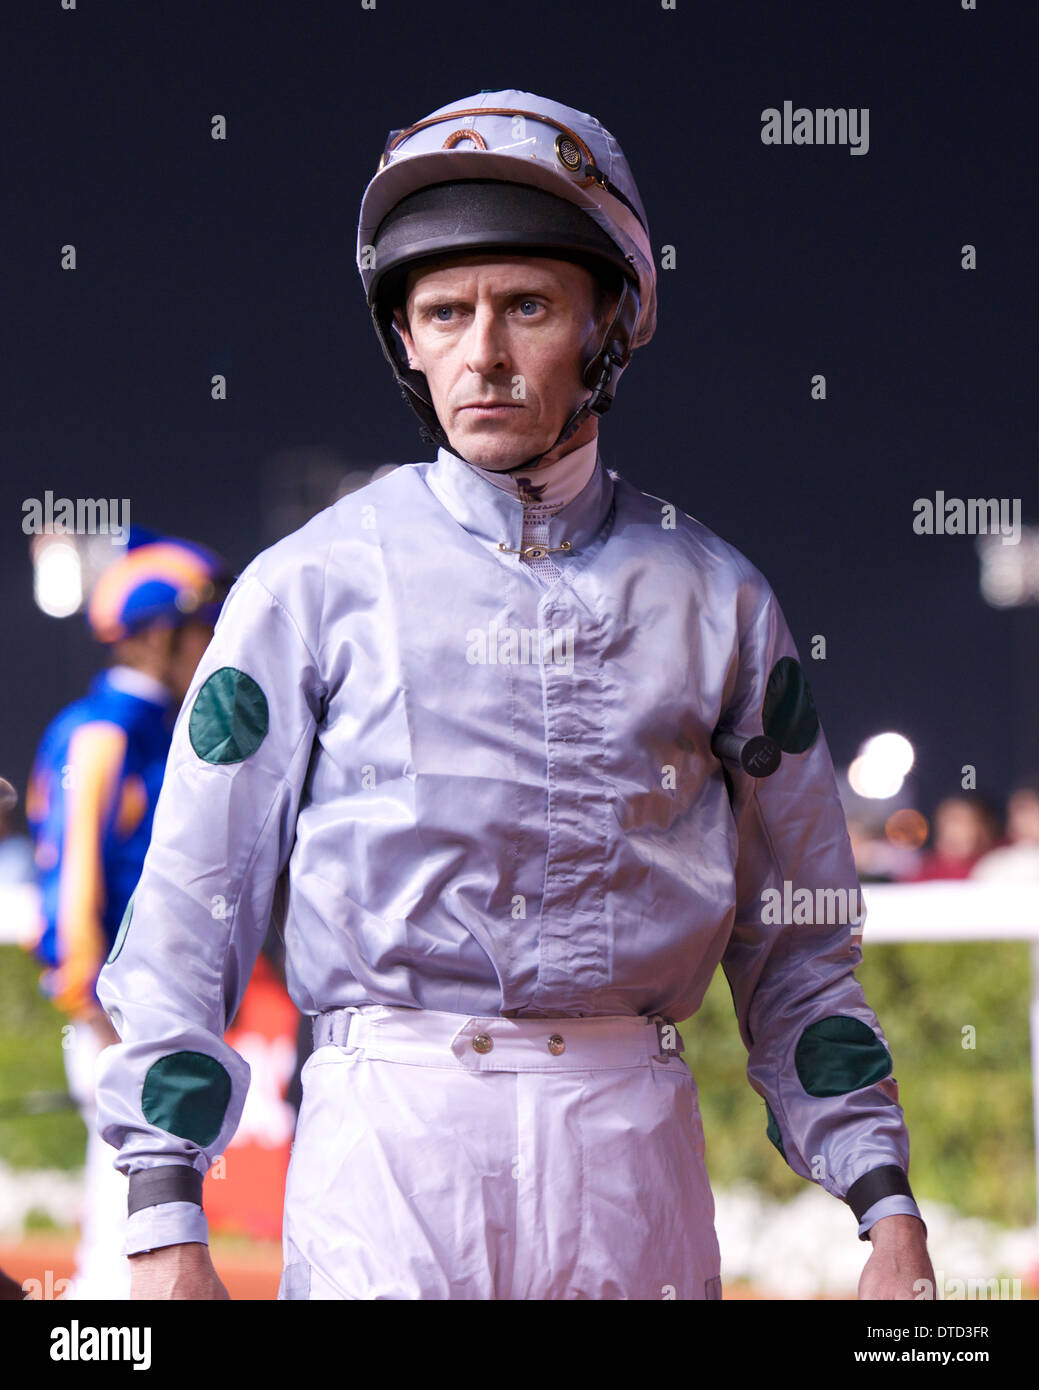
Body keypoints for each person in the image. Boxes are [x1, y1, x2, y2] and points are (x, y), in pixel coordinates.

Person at [95, 89, 932, 1300]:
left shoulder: (723, 601)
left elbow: (801, 944)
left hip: (628, 1155)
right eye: (444, 313)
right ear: (407, 341)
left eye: (525, 307)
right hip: (388, 1151)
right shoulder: (306, 587)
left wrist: (885, 1204)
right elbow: (188, 915)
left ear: (611, 325)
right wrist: (165, 1220)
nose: (481, 354)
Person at [25, 535, 231, 1299]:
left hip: (141, 1004)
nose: (215, 643)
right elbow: (75, 873)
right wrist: (92, 990)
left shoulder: (147, 727)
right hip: (118, 1010)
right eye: (202, 626)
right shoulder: (106, 731)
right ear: (156, 637)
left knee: (133, 1215)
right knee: (131, 1222)